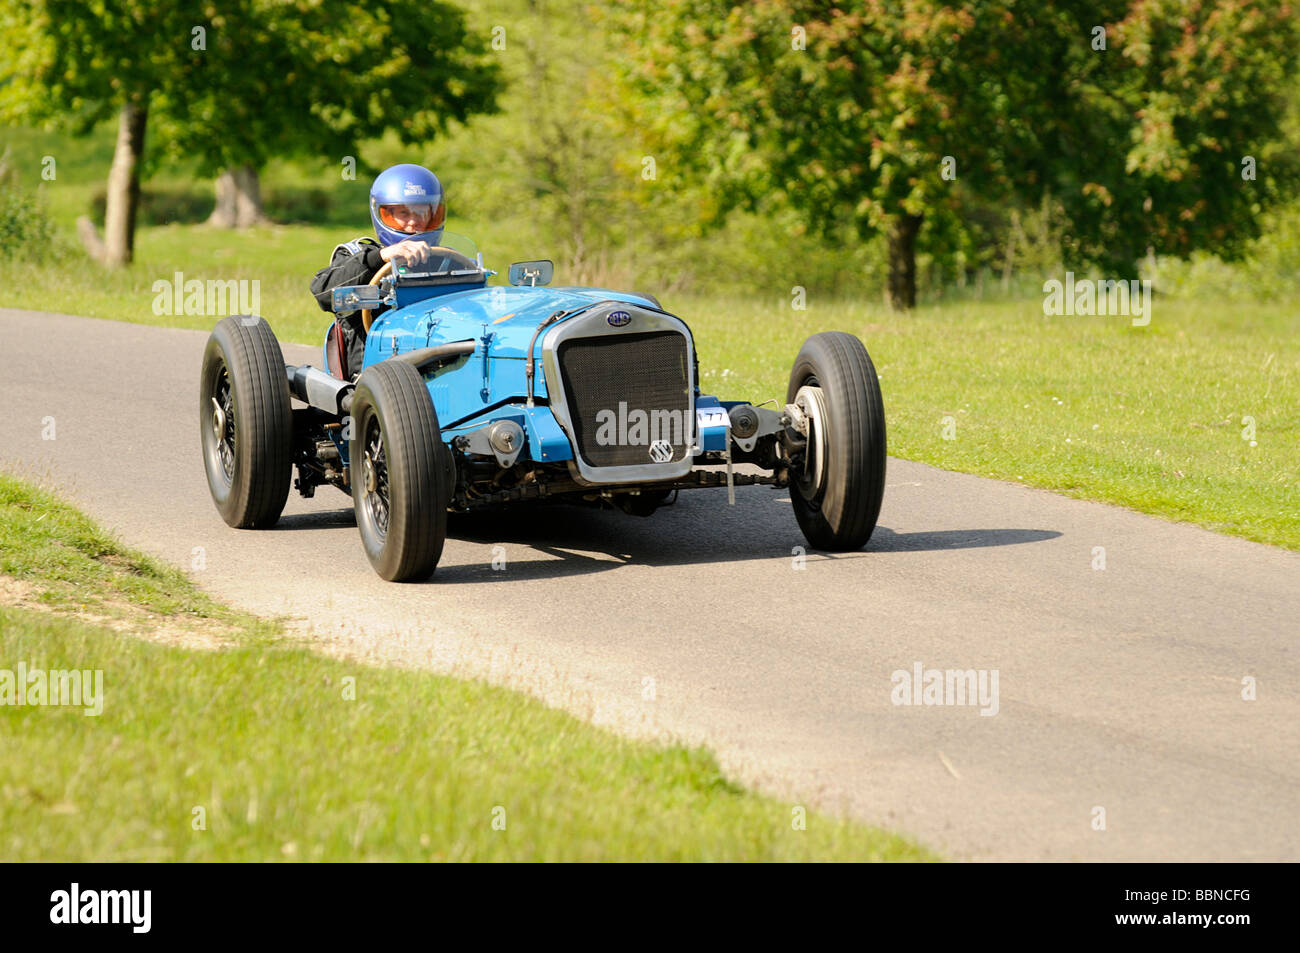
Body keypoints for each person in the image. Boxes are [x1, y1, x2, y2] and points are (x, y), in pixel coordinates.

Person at [309, 163, 447, 378]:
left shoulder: (446, 260)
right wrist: (380, 257)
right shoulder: (356, 254)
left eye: (422, 213)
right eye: (403, 213)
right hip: (372, 376)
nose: (414, 222)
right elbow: (322, 292)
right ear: (384, 214)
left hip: (437, 367)